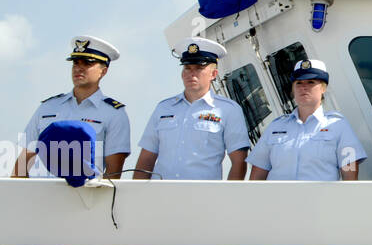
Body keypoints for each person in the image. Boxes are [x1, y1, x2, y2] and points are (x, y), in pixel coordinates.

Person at [134, 37, 251, 180]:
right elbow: (146, 158)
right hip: (161, 195)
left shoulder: (228, 110)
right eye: (187, 68)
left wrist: (226, 200)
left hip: (203, 197)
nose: (191, 74)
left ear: (213, 74)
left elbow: (239, 162)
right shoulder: (164, 108)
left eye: (199, 68)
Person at [14, 35, 130, 179]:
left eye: (87, 63)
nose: (78, 69)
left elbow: (114, 172)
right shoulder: (48, 107)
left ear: (103, 71)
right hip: (41, 194)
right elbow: (23, 160)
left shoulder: (114, 113)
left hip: (86, 196)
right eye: (76, 63)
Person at [248, 60, 366, 180]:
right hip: (278, 198)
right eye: (298, 83)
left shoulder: (338, 126)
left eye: (311, 82)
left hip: (320, 198)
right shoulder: (276, 127)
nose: (303, 87)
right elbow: (258, 173)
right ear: (293, 89)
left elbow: (349, 173)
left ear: (323, 88)